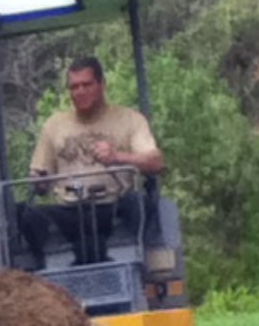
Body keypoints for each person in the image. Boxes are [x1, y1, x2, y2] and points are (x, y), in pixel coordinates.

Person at [20, 56, 164, 268]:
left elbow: (155, 162)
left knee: (140, 204)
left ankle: (142, 263)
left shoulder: (129, 119)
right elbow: (39, 173)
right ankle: (42, 268)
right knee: (26, 215)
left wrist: (117, 157)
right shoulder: (54, 125)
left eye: (86, 85)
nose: (80, 92)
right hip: (69, 210)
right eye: (74, 87)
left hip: (113, 206)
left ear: (102, 84)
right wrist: (39, 181)